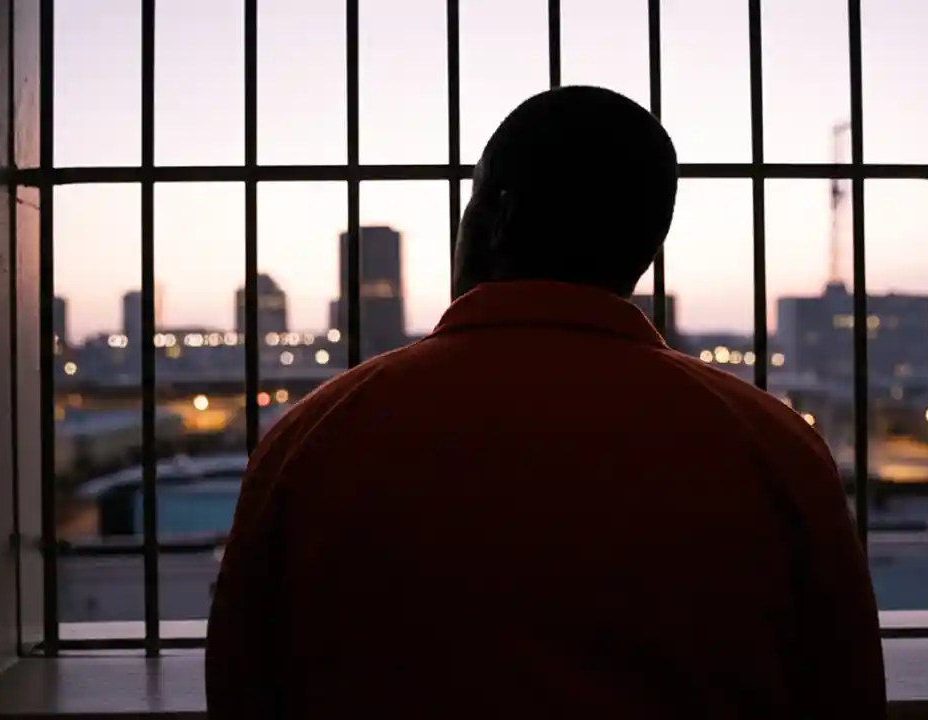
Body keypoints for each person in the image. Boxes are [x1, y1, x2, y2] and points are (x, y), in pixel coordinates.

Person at [207, 86, 884, 718]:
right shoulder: (775, 447)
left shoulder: (317, 434)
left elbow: (242, 684)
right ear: (645, 246)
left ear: (495, 217)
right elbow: (843, 690)